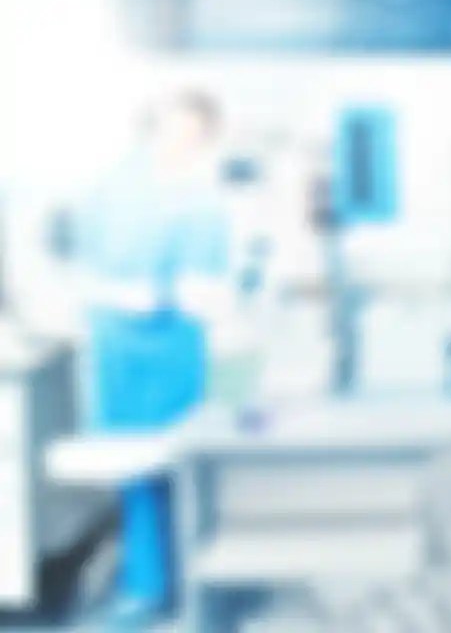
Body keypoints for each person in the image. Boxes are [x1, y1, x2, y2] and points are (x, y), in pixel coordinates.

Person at [71, 88, 234, 623]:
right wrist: (116, 294)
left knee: (181, 465)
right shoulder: (111, 188)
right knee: (135, 469)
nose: (179, 142)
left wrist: (205, 297)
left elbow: (203, 283)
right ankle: (147, 588)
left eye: (192, 136)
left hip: (174, 351)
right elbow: (83, 262)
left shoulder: (201, 199)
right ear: (154, 125)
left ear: (205, 140)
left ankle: (183, 587)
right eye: (173, 129)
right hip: (120, 347)